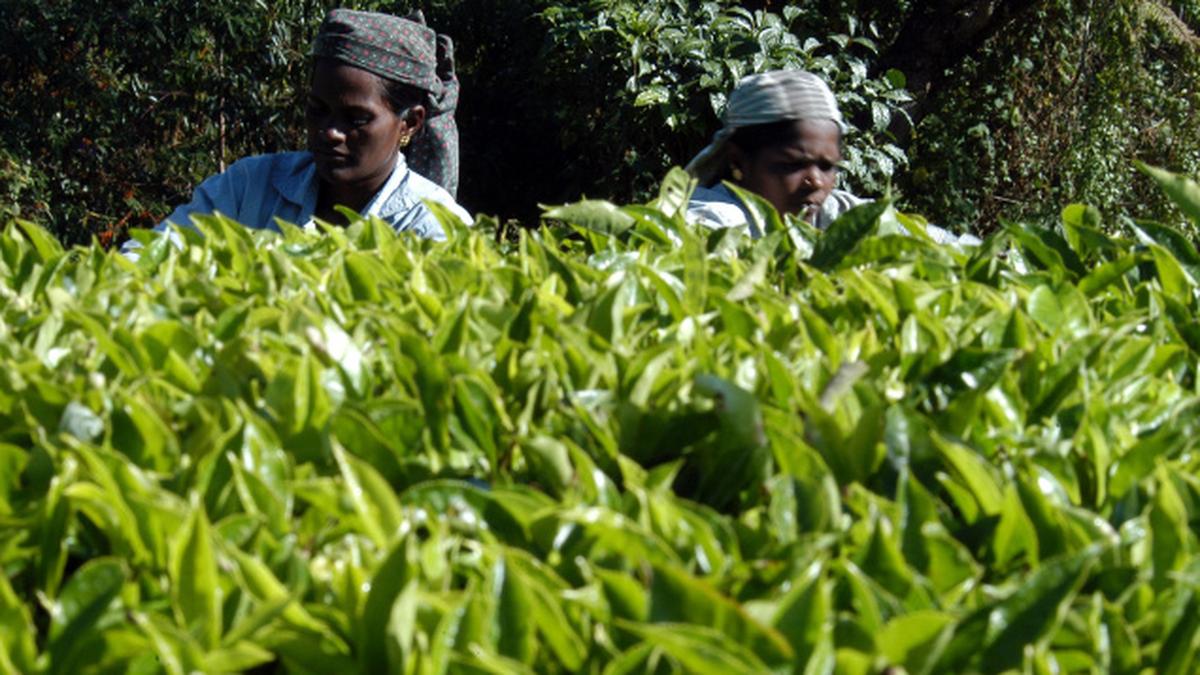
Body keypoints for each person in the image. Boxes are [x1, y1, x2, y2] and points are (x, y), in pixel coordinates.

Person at [132, 8, 469, 251]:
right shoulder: (249, 186)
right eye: (317, 111)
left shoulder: (433, 228)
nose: (330, 132)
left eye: (356, 119)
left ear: (410, 123)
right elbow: (147, 258)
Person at [686, 69, 970, 244]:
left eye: (827, 166)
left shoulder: (834, 212)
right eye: (792, 165)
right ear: (738, 160)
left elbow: (947, 246)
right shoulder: (712, 218)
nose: (815, 181)